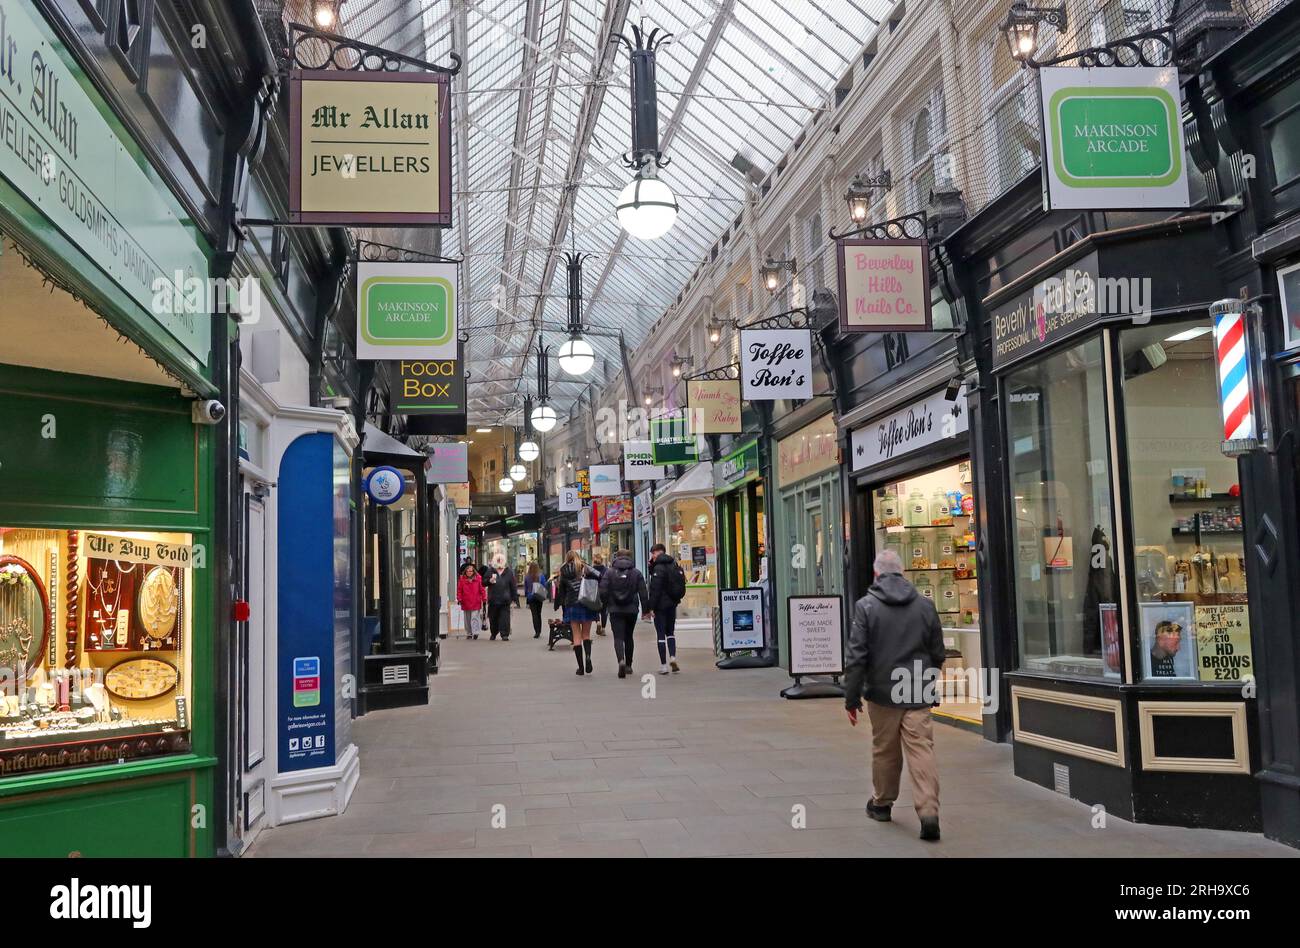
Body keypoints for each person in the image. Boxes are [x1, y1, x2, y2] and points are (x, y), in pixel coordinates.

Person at [843, 549, 946, 842]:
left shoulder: (866, 607)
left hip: (882, 692)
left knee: (884, 751)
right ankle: (928, 812)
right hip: (917, 691)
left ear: (876, 574)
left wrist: (851, 699)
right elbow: (938, 652)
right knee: (921, 749)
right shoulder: (925, 606)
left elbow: (857, 657)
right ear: (903, 573)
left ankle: (882, 803)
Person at [598, 549, 650, 679]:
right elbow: (643, 593)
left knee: (618, 637)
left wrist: (604, 606)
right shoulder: (636, 573)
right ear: (630, 558)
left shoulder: (609, 573)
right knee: (629, 636)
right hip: (631, 609)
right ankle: (628, 665)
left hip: (615, 609)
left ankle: (620, 660)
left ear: (617, 557)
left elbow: (603, 591)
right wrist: (646, 611)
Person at [556, 550, 600, 675]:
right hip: (586, 603)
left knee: (576, 636)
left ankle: (580, 668)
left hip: (572, 605)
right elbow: (599, 575)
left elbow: (561, 592)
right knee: (586, 635)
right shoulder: (584, 567)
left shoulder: (563, 571)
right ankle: (588, 658)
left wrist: (562, 607)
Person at [647, 543, 686, 674]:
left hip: (660, 606)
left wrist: (651, 607)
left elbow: (655, 589)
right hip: (672, 604)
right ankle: (673, 657)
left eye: (653, 553)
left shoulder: (658, 568)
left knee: (660, 634)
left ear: (658, 553)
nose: (652, 556)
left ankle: (663, 666)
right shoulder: (674, 565)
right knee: (670, 633)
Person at [485, 561, 517, 641]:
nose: (500, 563)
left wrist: (514, 598)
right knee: (493, 618)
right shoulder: (490, 571)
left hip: (505, 600)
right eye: (498, 560)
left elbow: (513, 585)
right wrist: (489, 581)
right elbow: (483, 582)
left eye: (501, 560)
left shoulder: (508, 572)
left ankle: (504, 634)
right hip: (493, 599)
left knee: (505, 618)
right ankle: (494, 633)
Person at [455, 562, 485, 640]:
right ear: (465, 571)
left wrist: (484, 598)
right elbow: (459, 590)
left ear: (473, 571)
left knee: (474, 617)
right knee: (467, 619)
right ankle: (469, 632)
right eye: (468, 571)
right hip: (466, 601)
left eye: (471, 571)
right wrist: (459, 598)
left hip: (476, 601)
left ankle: (475, 632)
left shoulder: (478, 578)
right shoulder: (462, 579)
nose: (469, 573)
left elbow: (482, 589)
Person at [523, 562, 550, 639]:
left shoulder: (527, 577)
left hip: (531, 597)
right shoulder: (541, 576)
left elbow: (526, 587)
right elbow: (544, 585)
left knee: (534, 615)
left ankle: (536, 631)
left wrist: (527, 595)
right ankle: (539, 630)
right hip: (539, 597)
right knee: (539, 613)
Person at [591, 552, 609, 636]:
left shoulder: (591, 569)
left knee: (595, 609)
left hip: (594, 591)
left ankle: (598, 622)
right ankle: (603, 628)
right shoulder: (606, 570)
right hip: (604, 592)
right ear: (602, 561)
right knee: (604, 610)